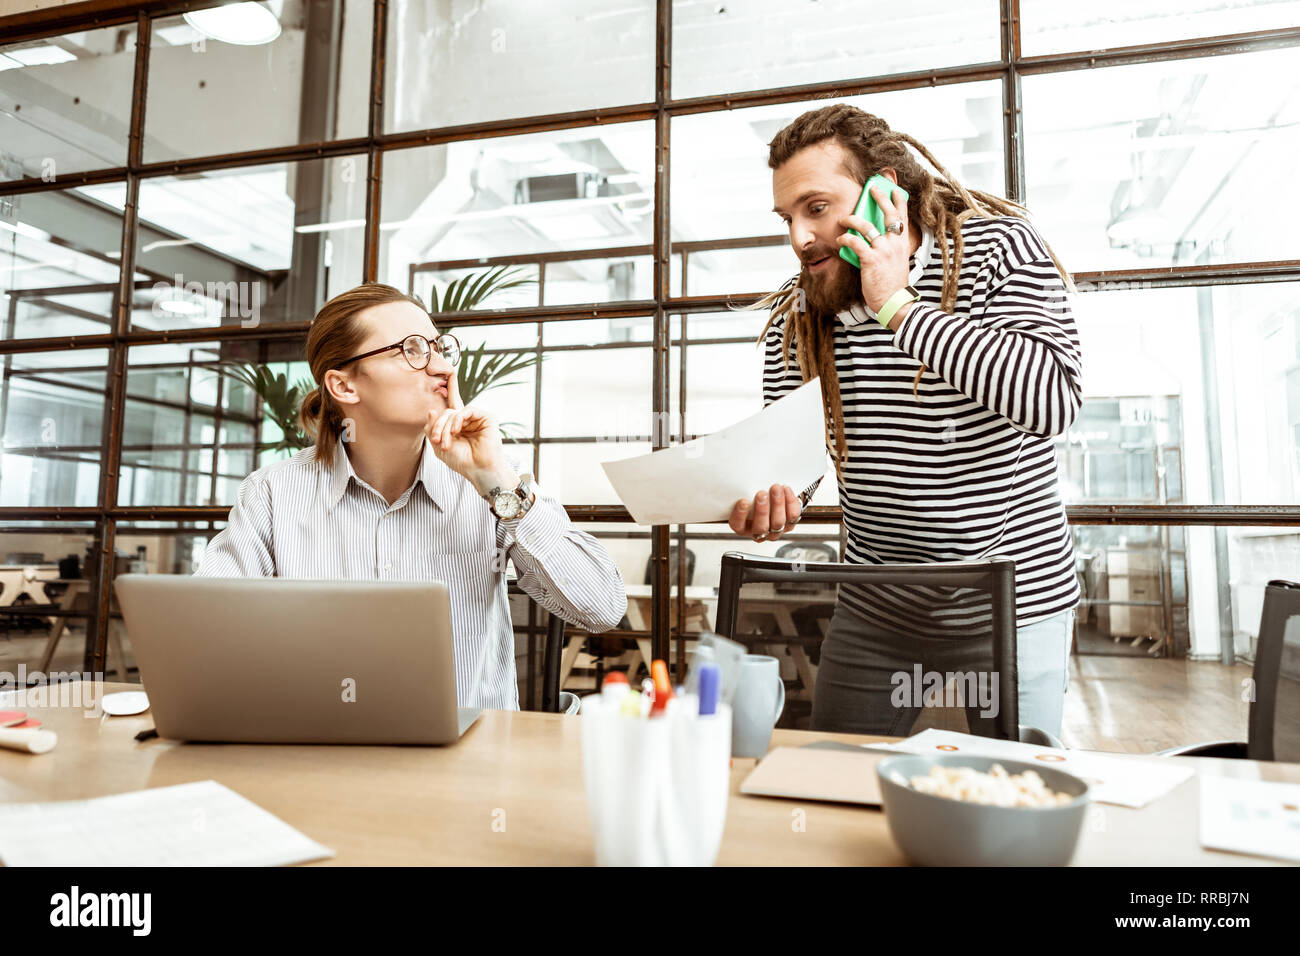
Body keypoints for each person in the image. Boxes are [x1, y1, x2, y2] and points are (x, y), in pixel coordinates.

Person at [729, 104, 1082, 738]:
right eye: (788, 219)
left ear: (883, 192)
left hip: (1014, 604)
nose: (799, 239)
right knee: (837, 792)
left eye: (815, 208)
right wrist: (776, 498)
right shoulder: (807, 306)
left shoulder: (999, 251)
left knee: (1012, 799)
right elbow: (794, 457)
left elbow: (1052, 398)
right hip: (877, 609)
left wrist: (896, 305)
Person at [197, 282, 627, 709]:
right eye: (413, 350)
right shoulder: (273, 494)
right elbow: (206, 636)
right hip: (323, 753)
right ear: (344, 386)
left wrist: (495, 482)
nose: (442, 367)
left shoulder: (493, 481)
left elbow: (602, 608)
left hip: (470, 763)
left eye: (439, 348)